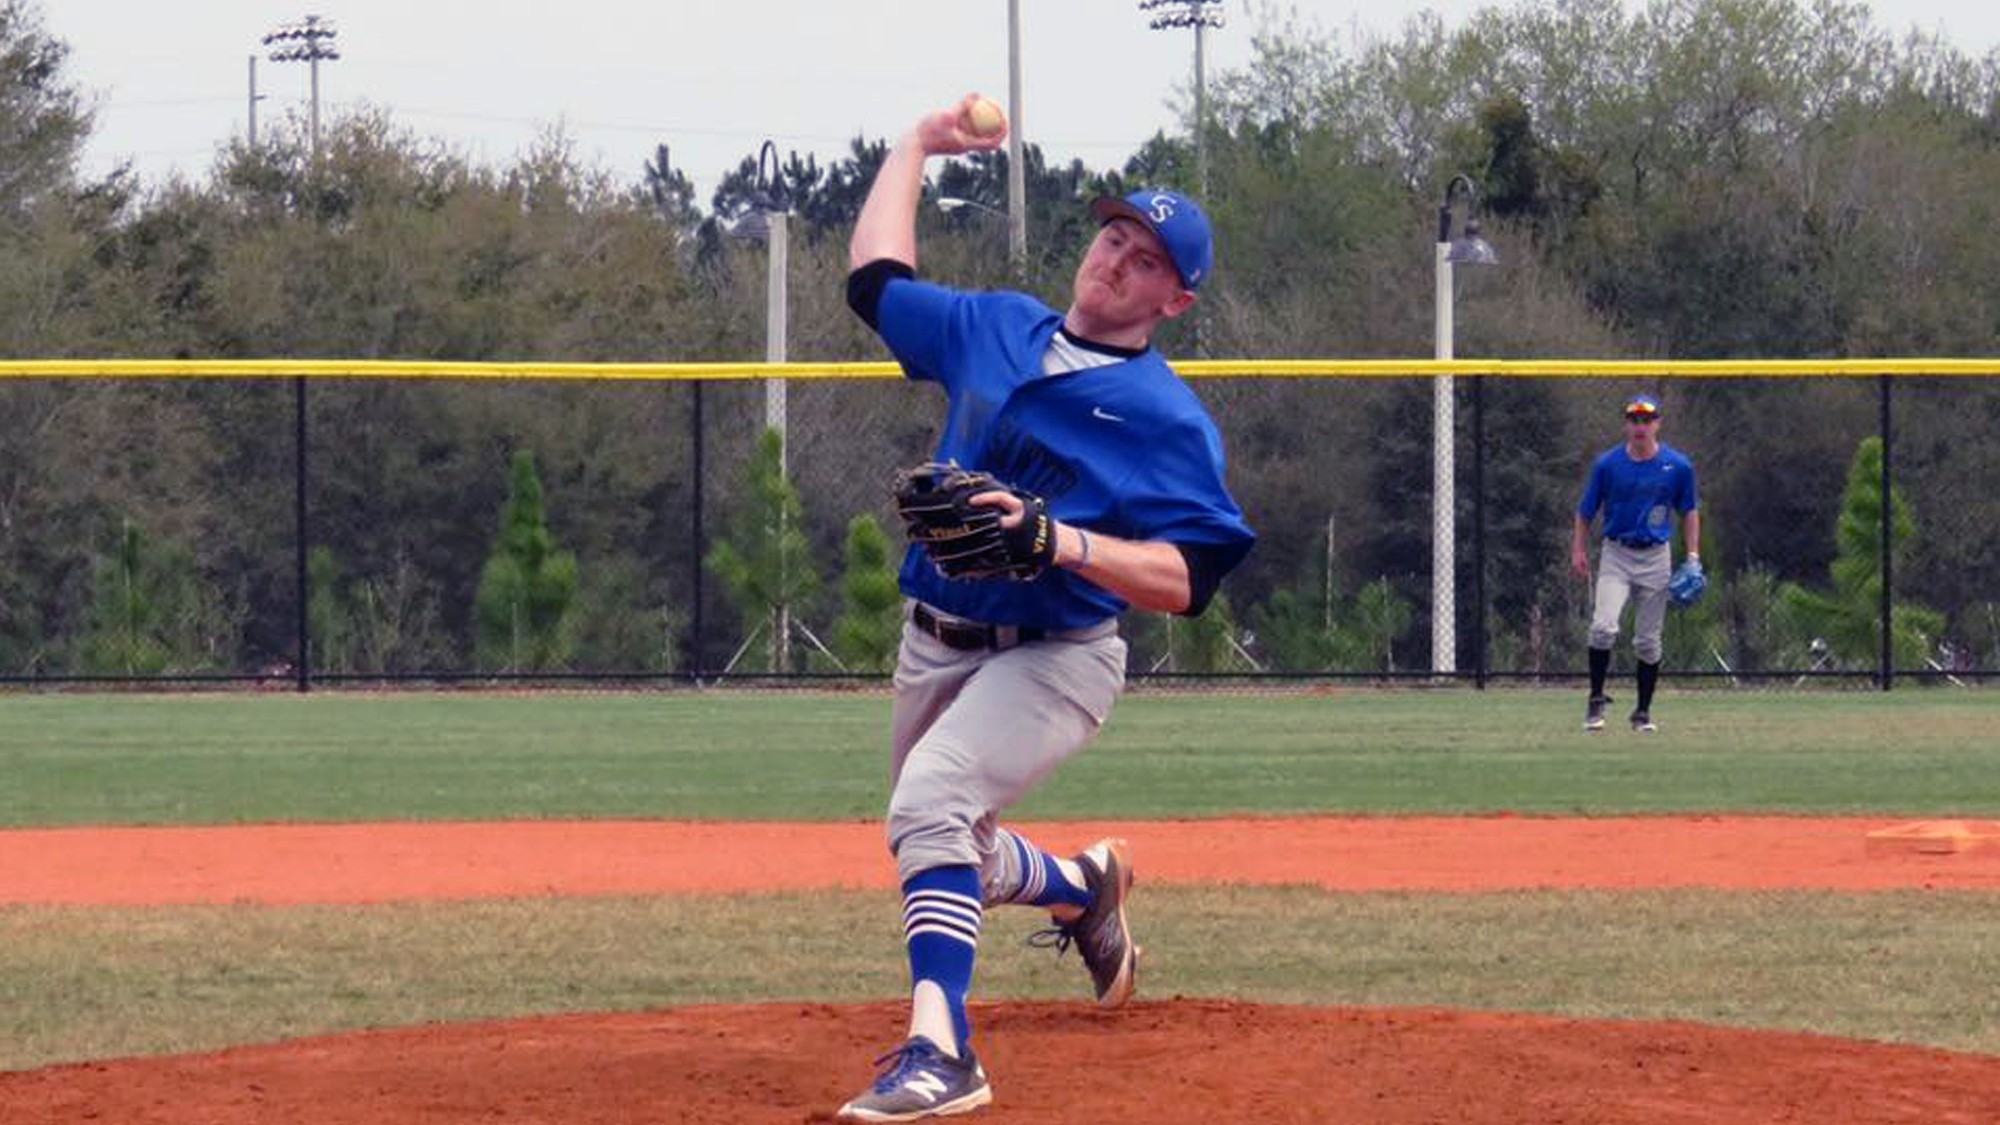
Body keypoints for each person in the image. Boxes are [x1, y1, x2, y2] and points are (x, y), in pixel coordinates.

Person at [834, 94, 1255, 1122]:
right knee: (950, 848)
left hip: (1056, 656)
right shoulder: (993, 326)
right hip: (932, 639)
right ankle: (1078, 889)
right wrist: (915, 146)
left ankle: (943, 1052)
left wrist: (1055, 541)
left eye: (1147, 259)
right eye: (1114, 236)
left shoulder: (1164, 418)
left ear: (1174, 303)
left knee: (926, 805)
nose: (1116, 259)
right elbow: (875, 281)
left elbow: (1189, 577)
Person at [1570, 393, 1701, 733]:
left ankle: (1642, 712)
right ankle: (1596, 699)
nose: (1640, 425)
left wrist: (1693, 557)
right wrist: (1579, 550)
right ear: (1627, 425)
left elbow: (1689, 511)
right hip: (1617, 552)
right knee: (1603, 628)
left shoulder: (1678, 466)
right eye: (1634, 419)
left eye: (1647, 419)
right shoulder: (1608, 465)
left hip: (1656, 555)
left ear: (1658, 423)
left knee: (1648, 640)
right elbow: (1585, 511)